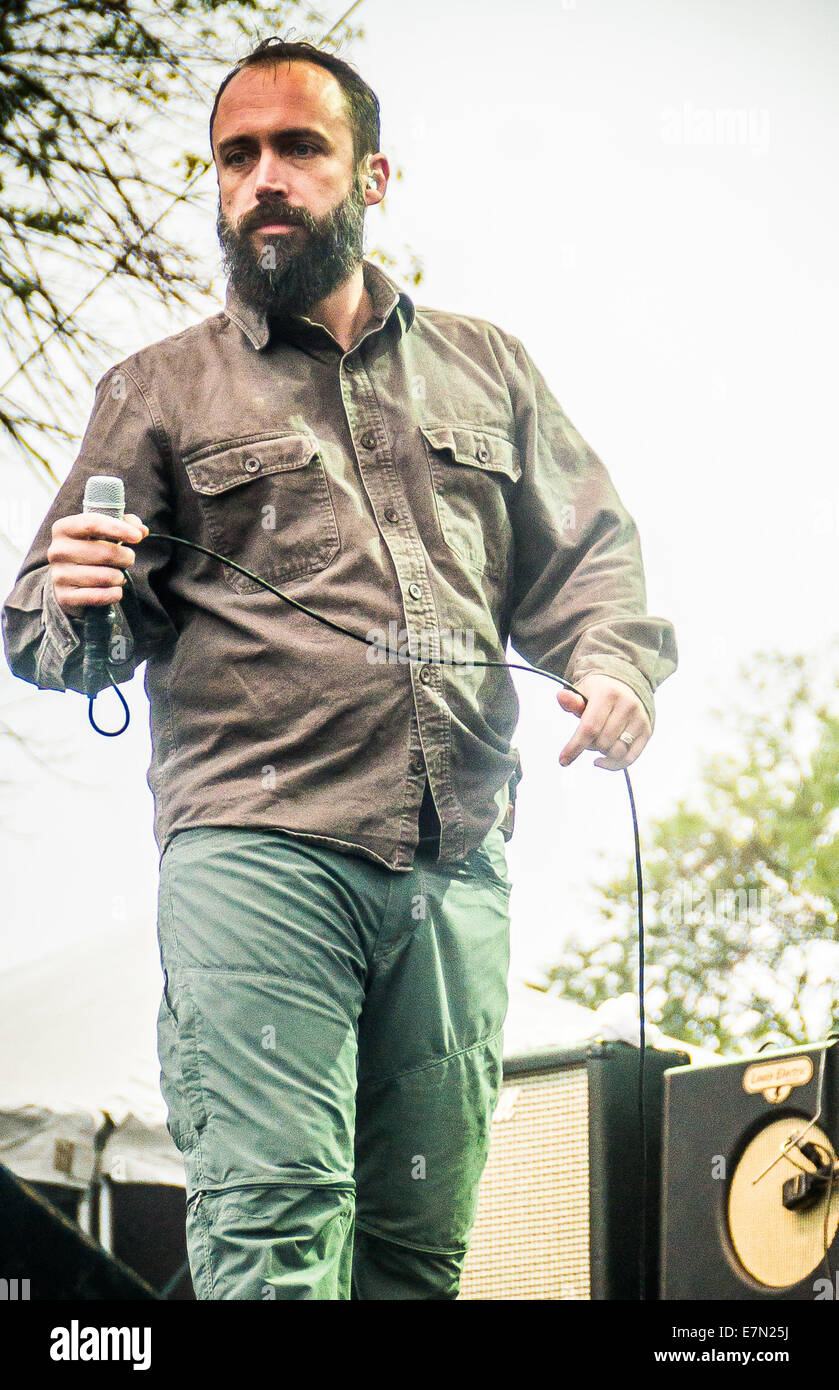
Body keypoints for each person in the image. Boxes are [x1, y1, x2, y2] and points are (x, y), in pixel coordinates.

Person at [1, 37, 678, 1300]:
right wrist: (75, 597)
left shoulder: (488, 367)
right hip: (257, 847)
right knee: (276, 1225)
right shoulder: (154, 389)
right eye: (236, 155)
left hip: (454, 858)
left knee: (415, 1255)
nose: (263, 176)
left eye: (297, 147)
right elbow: (46, 627)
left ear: (371, 175)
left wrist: (615, 668)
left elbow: (590, 562)